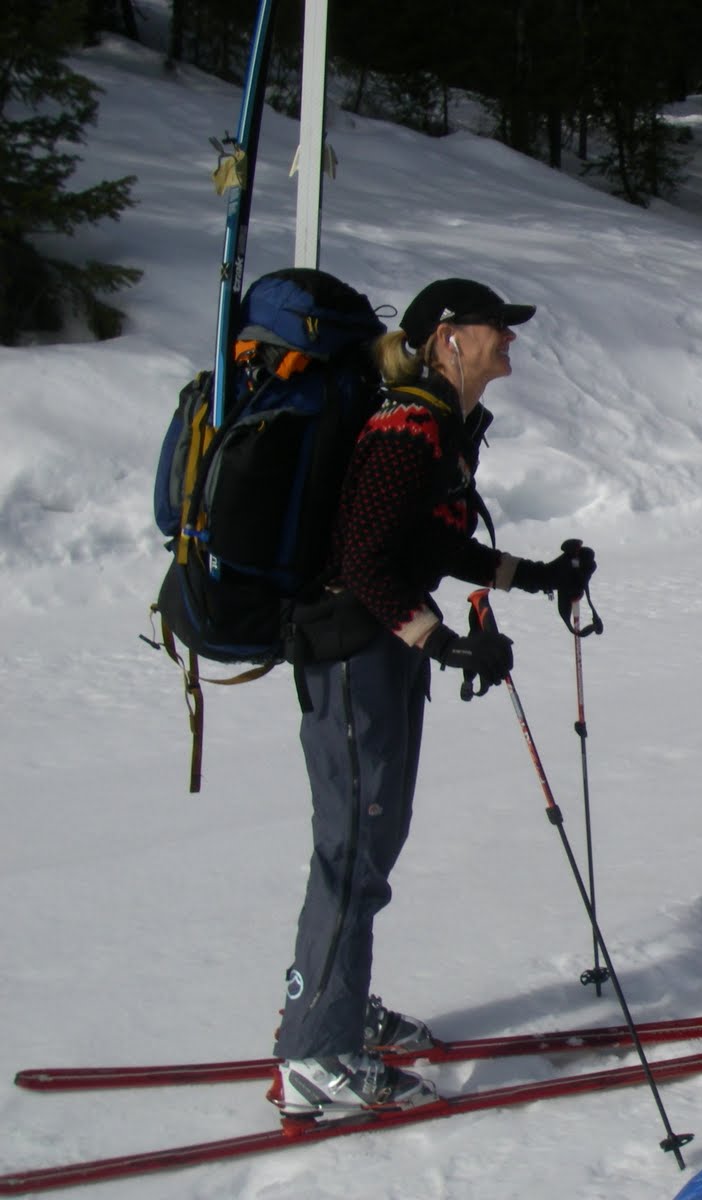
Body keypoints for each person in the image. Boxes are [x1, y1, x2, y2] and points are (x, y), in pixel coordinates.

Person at [269, 278, 597, 1118]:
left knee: (372, 839)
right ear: (448, 337)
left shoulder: (441, 424)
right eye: (497, 327)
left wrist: (537, 576)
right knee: (354, 845)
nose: (510, 339)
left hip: (379, 650)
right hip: (352, 653)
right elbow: (362, 558)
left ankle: (338, 1004)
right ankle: (315, 1056)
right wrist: (442, 640)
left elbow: (430, 542)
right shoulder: (406, 427)